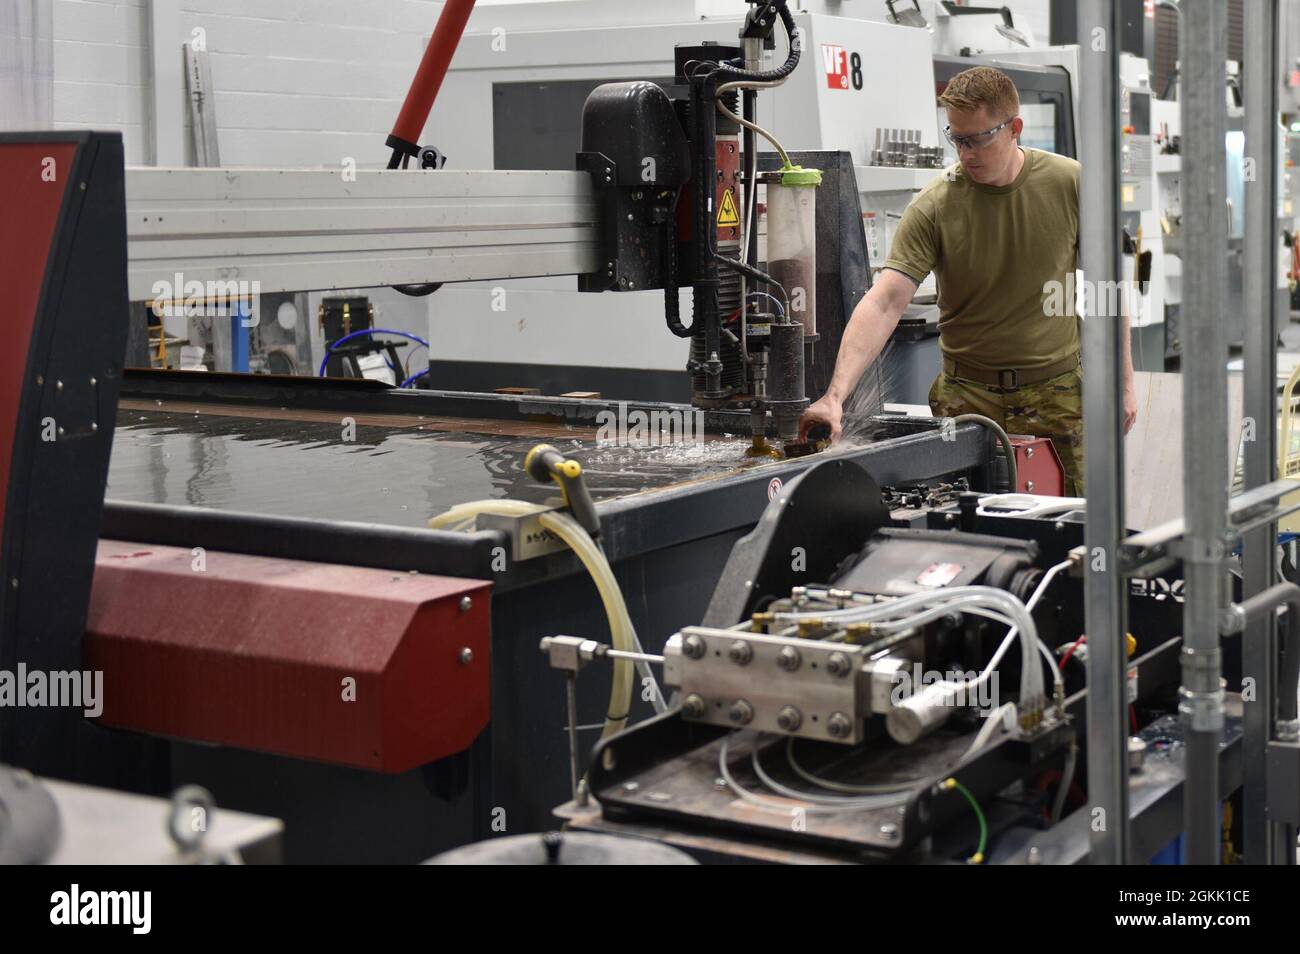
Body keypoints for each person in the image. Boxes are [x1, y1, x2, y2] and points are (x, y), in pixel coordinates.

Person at [800, 66, 1137, 495]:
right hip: (967, 398)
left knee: (1079, 527)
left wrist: (1124, 385)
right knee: (966, 526)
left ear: (1014, 128)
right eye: (957, 139)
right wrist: (835, 396)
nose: (966, 153)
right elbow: (885, 302)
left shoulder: (1071, 184)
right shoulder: (936, 205)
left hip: (1060, 395)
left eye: (978, 138)